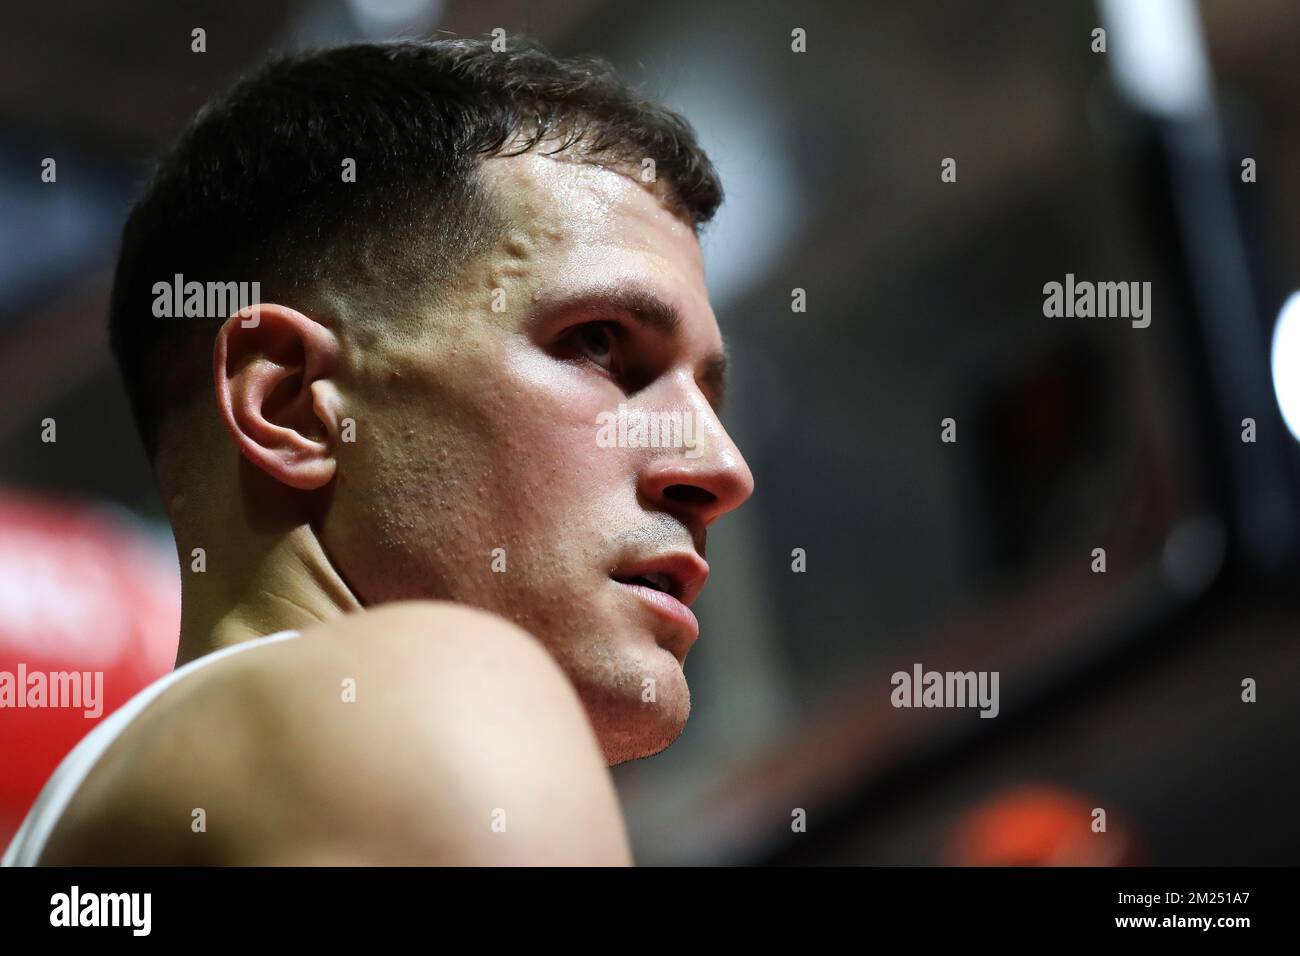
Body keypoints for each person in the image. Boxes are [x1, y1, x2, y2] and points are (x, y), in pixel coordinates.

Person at [2, 35, 753, 866]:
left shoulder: (126, 807)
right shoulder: (428, 691)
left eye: (707, 397)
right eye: (598, 344)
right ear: (287, 405)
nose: (721, 469)